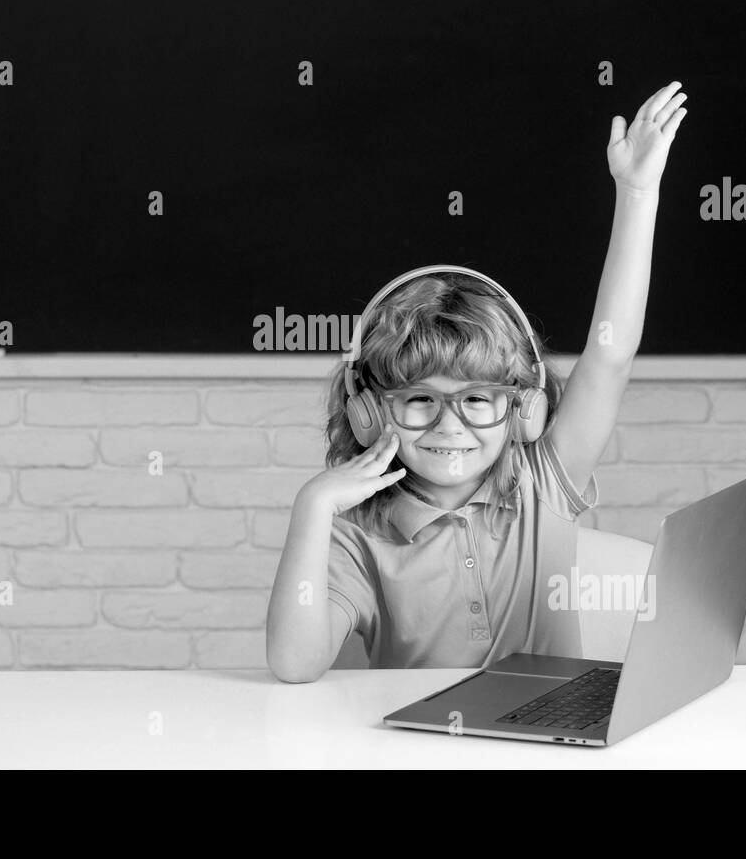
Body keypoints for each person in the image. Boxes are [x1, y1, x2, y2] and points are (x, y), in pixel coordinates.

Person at [266, 82, 687, 681]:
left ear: (523, 411)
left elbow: (611, 356)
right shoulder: (356, 539)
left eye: (478, 400)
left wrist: (638, 193)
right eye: (418, 400)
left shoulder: (542, 482)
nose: (450, 426)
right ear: (369, 413)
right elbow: (293, 665)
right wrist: (314, 506)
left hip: (548, 744)